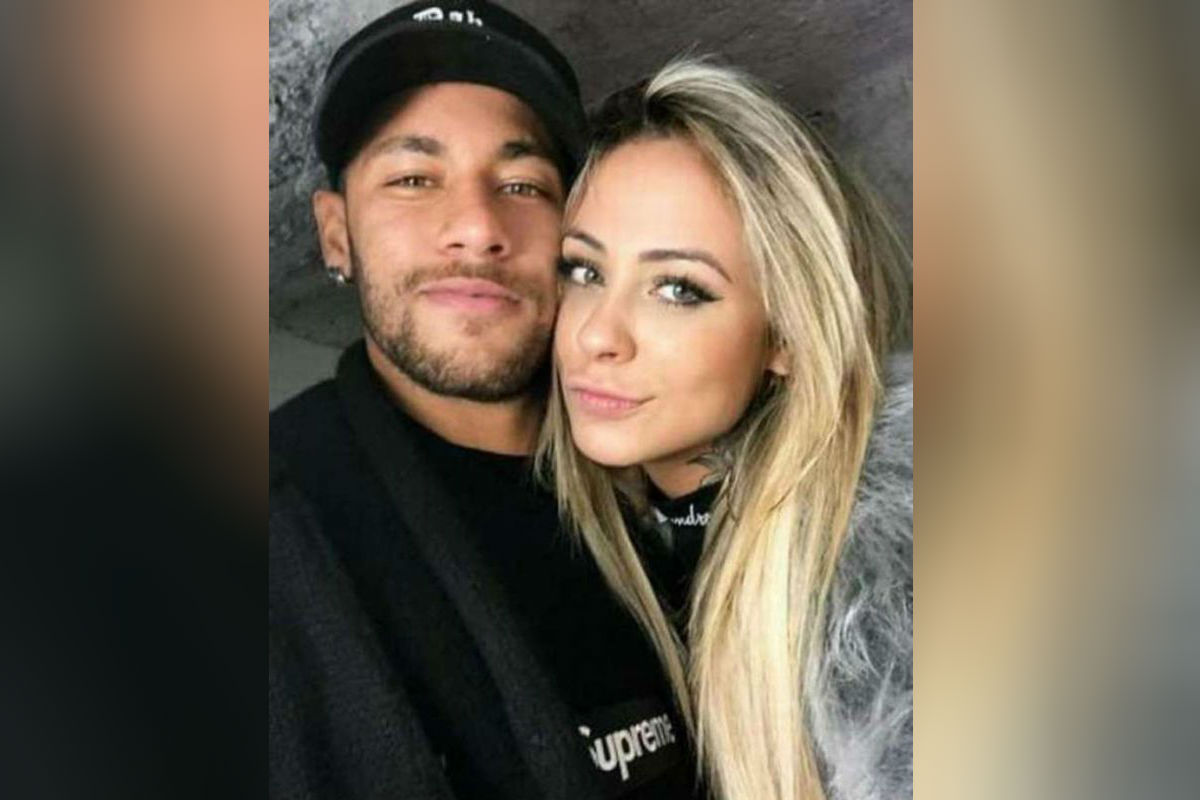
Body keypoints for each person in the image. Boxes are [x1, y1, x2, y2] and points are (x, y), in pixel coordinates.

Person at [270, 4, 700, 799]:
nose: (476, 227)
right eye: (412, 179)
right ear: (336, 234)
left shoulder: (675, 475)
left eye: (521, 185)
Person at [537, 59, 913, 800]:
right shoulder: (580, 534)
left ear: (787, 336)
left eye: (679, 289)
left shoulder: (888, 578)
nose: (596, 336)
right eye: (583, 270)